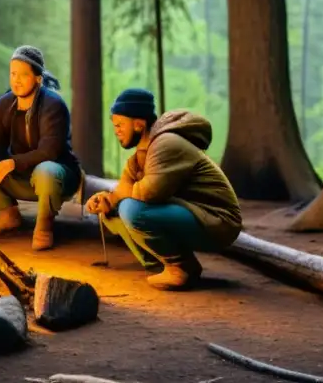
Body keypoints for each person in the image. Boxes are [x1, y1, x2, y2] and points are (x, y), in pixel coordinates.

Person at [85, 88, 243, 291]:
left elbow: (150, 192)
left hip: (218, 221)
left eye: (119, 124)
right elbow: (122, 189)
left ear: (139, 124)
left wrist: (118, 197)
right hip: (192, 215)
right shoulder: (140, 156)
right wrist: (106, 200)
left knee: (132, 210)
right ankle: (160, 264)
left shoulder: (166, 145)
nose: (116, 130)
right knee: (114, 211)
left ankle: (180, 268)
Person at [0, 45, 82, 251]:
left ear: (38, 79)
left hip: (57, 177)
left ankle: (44, 225)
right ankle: (7, 214)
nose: (16, 80)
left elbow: (49, 152)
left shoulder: (53, 105)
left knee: (46, 170)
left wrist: (13, 162)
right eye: (13, 74)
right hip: (21, 177)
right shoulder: (5, 103)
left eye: (23, 75)